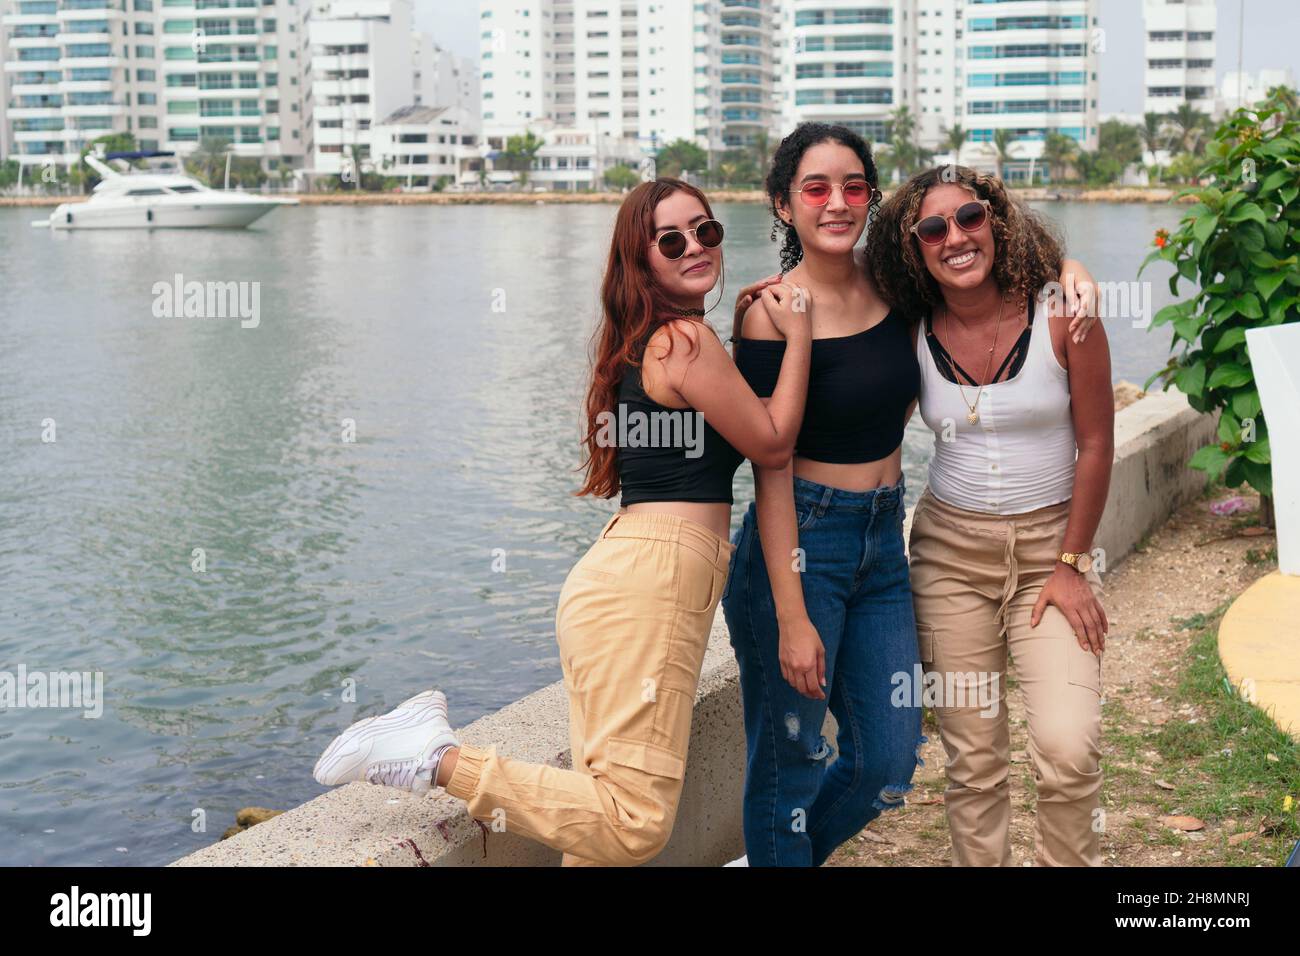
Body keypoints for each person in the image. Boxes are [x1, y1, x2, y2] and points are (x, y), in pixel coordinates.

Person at [312, 178, 813, 866]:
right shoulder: (683, 342)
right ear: (643, 260)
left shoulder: (660, 342)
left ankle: (430, 746)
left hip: (627, 578)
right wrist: (802, 334)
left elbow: (726, 427)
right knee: (633, 824)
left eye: (707, 230)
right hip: (652, 581)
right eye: (672, 239)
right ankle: (435, 757)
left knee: (598, 828)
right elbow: (774, 441)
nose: (695, 246)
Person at [724, 126, 1104, 867]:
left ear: (872, 199)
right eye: (815, 188)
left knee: (890, 766)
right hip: (800, 542)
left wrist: (1072, 266)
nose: (837, 203)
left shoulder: (894, 287)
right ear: (781, 203)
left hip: (884, 540)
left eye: (854, 187)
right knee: (790, 764)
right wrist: (792, 612)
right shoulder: (768, 312)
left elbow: (976, 247)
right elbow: (768, 464)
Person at [867, 164, 1114, 866]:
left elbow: (1097, 443)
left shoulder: (1066, 312)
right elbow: (837, 317)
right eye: (933, 228)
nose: (956, 237)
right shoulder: (910, 330)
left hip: (1051, 550)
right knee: (972, 759)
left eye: (971, 217)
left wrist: (1071, 564)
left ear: (997, 222)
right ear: (913, 247)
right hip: (949, 555)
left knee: (1069, 749)